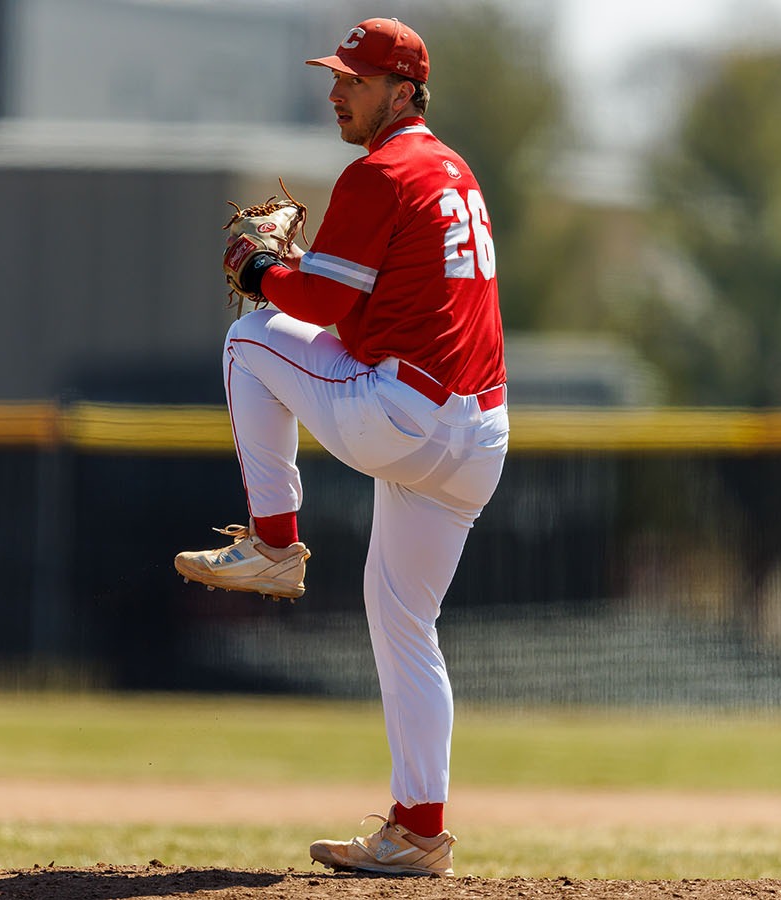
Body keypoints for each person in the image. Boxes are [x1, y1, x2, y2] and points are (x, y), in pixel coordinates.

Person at [174, 16, 507, 877]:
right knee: (405, 624)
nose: (335, 91)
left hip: (406, 415)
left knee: (248, 341)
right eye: (336, 76)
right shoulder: (453, 171)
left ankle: (274, 544)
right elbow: (363, 311)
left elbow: (318, 307)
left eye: (354, 80)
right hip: (478, 437)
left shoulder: (380, 171)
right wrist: (297, 272)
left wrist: (261, 270)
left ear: (404, 91)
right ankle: (419, 831)